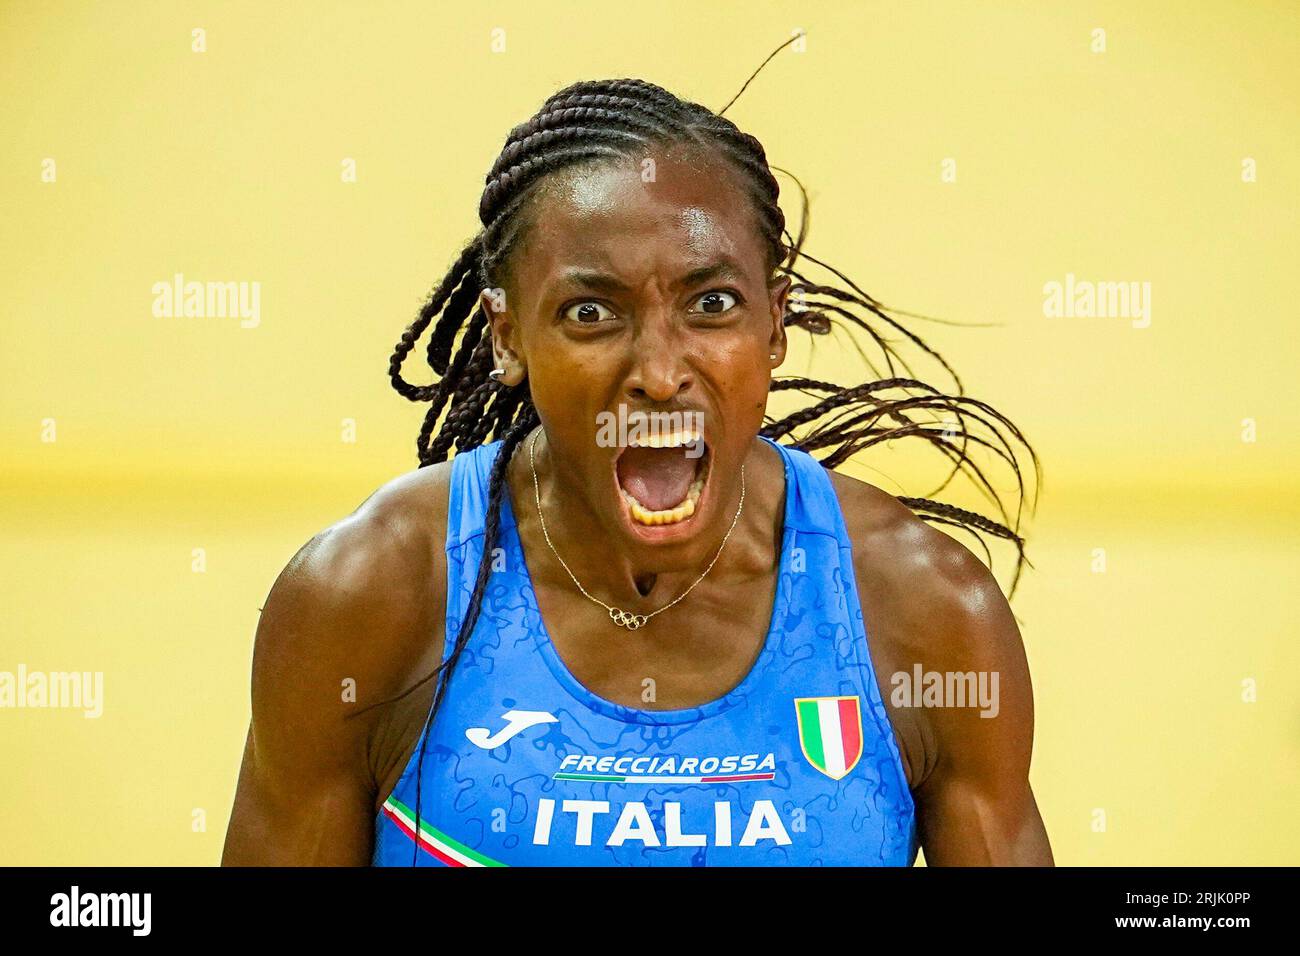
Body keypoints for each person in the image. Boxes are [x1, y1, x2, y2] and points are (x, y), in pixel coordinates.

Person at [222, 71, 1051, 866]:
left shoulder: (923, 612)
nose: (659, 371)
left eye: (712, 304)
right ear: (507, 337)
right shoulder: (370, 598)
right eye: (591, 313)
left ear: (775, 324)